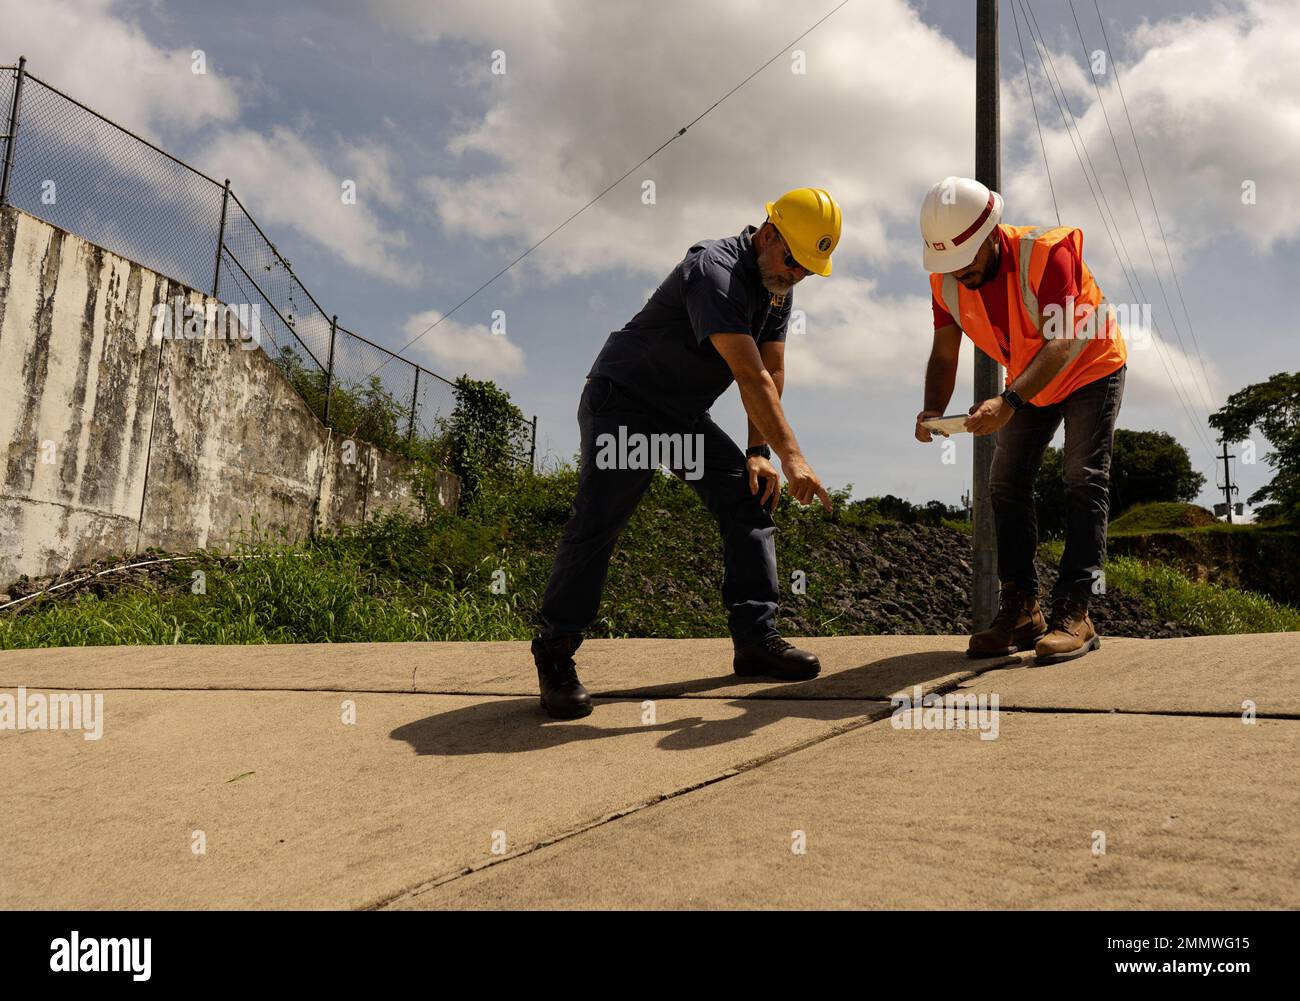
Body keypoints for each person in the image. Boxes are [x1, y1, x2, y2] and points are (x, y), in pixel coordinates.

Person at [531, 188, 842, 718]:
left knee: (748, 499)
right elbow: (748, 375)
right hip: (623, 405)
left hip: (679, 418)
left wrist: (760, 451)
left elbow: (772, 368)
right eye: (794, 262)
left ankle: (754, 639)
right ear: (769, 235)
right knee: (600, 520)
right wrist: (794, 459)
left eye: (808, 271)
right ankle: (555, 652)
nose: (797, 276)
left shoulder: (776, 288)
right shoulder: (713, 269)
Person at [915, 176, 1127, 664]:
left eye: (966, 258)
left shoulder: (1046, 253)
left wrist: (1008, 401)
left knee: (1082, 475)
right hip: (1030, 379)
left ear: (991, 234)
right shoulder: (945, 279)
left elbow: (1062, 343)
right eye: (949, 262)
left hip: (1089, 365)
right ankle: (1022, 609)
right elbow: (945, 354)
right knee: (1005, 483)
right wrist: (931, 410)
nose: (960, 271)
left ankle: (1076, 611)